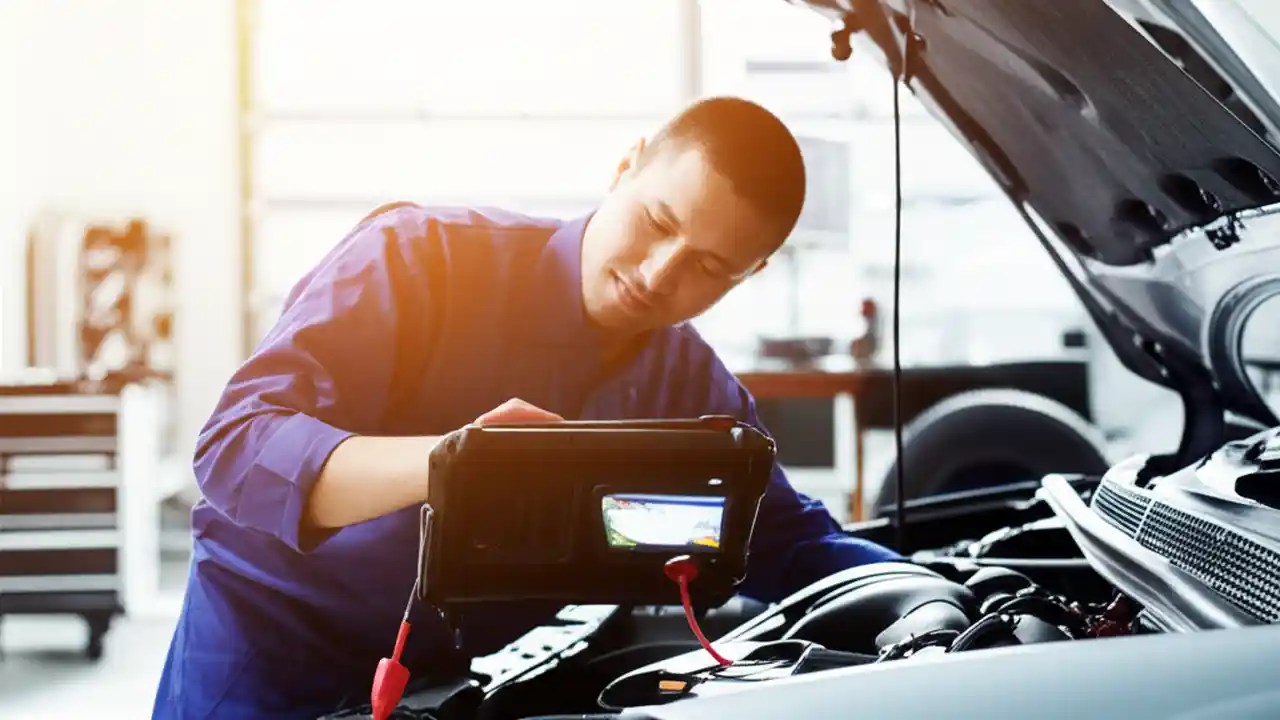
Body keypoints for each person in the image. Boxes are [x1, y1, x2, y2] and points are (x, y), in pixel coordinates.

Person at [152, 96, 898, 719]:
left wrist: (934, 592)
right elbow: (236, 448)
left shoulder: (691, 388)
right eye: (659, 221)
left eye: (708, 267)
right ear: (626, 165)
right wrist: (458, 459)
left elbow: (786, 542)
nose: (657, 273)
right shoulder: (416, 258)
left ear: (749, 274)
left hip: (442, 681)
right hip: (260, 653)